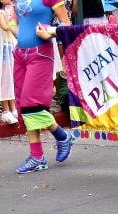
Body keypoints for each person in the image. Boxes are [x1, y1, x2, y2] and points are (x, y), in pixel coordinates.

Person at [8, 0, 73, 174]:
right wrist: (22, 35)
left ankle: (61, 136)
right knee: (23, 105)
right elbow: (13, 23)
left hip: (40, 54)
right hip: (20, 55)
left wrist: (49, 33)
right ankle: (38, 156)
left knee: (31, 104)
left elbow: (66, 25)